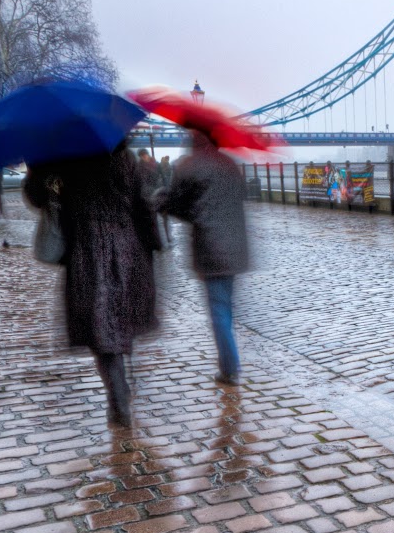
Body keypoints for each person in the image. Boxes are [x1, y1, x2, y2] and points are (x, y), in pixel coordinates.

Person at [24, 143, 162, 426]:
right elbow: (143, 206)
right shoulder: (126, 159)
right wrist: (152, 244)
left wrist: (37, 168)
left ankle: (118, 394)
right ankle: (121, 386)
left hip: (88, 252)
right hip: (129, 250)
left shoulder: (67, 159)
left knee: (102, 330)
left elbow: (39, 198)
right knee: (121, 320)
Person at [159, 131, 248, 385]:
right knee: (225, 306)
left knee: (218, 309)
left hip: (210, 247)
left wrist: (165, 199)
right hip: (235, 246)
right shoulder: (230, 164)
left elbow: (177, 205)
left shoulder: (190, 166)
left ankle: (229, 368)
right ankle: (230, 363)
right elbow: (242, 195)